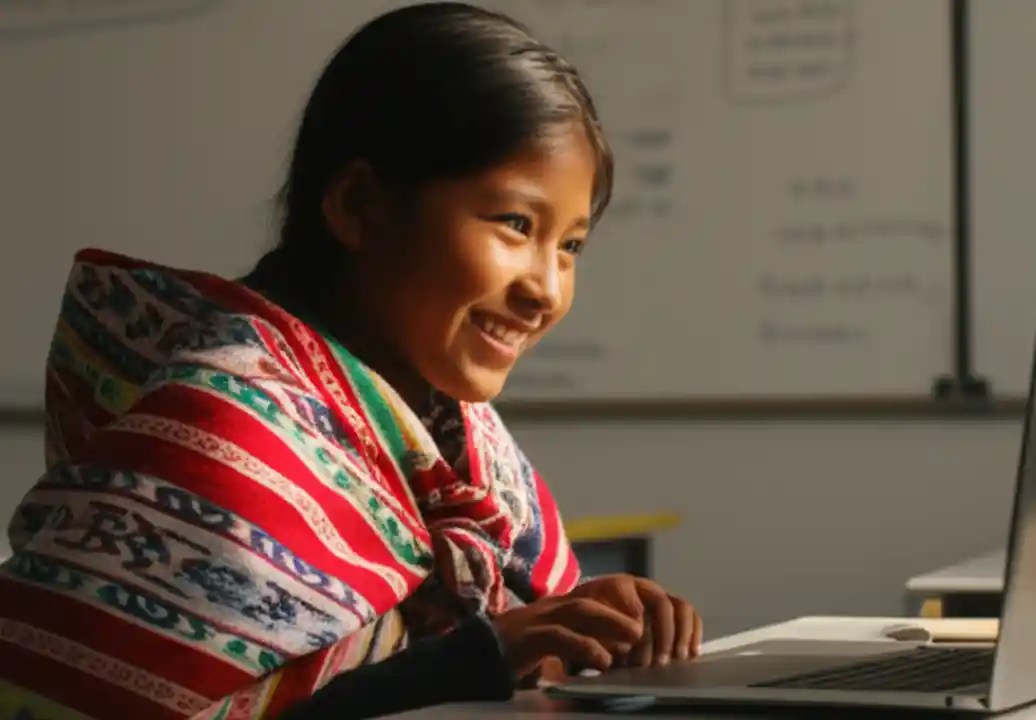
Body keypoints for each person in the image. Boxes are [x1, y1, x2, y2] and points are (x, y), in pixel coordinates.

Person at [0, 3, 700, 718]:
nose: (545, 291)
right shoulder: (226, 431)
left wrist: (587, 622)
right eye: (515, 224)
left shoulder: (463, 442)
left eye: (571, 246)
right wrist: (481, 657)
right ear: (360, 207)